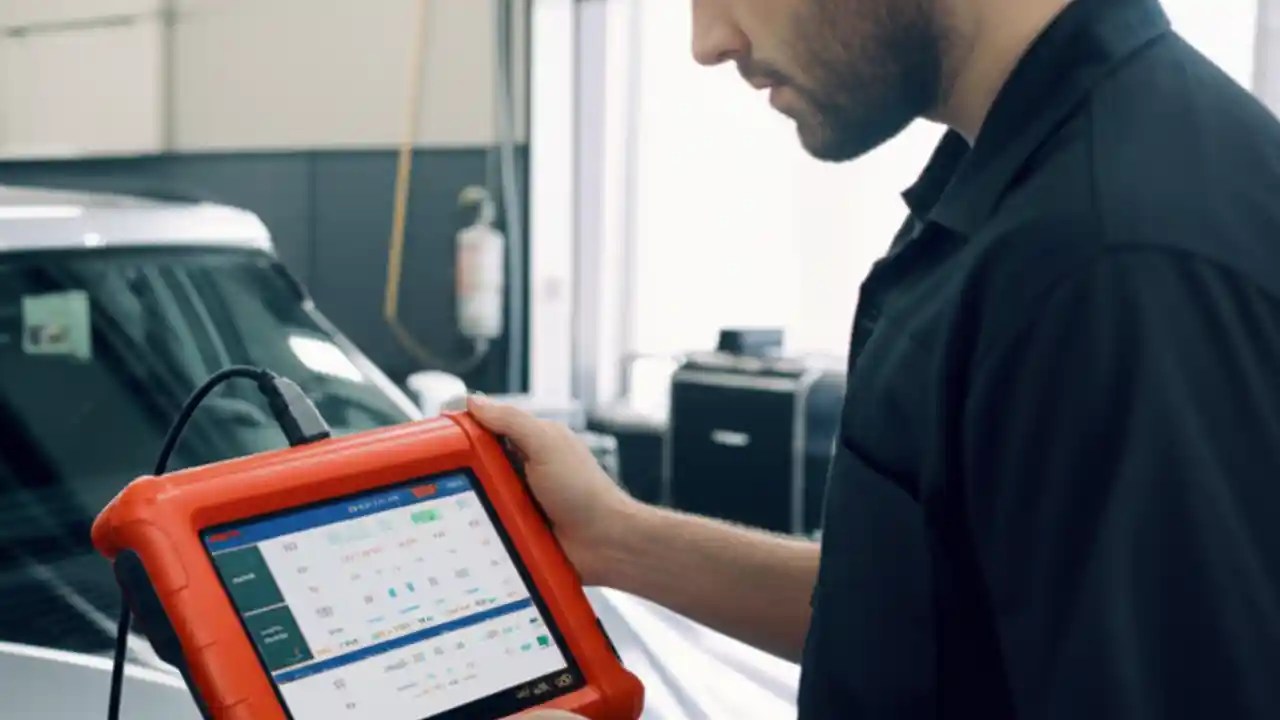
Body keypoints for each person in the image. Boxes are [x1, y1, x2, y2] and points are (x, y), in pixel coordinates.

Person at [477, 0, 1280, 716]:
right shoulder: (1023, 179)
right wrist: (614, 538)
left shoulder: (1114, 260)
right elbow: (940, 624)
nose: (709, 40)